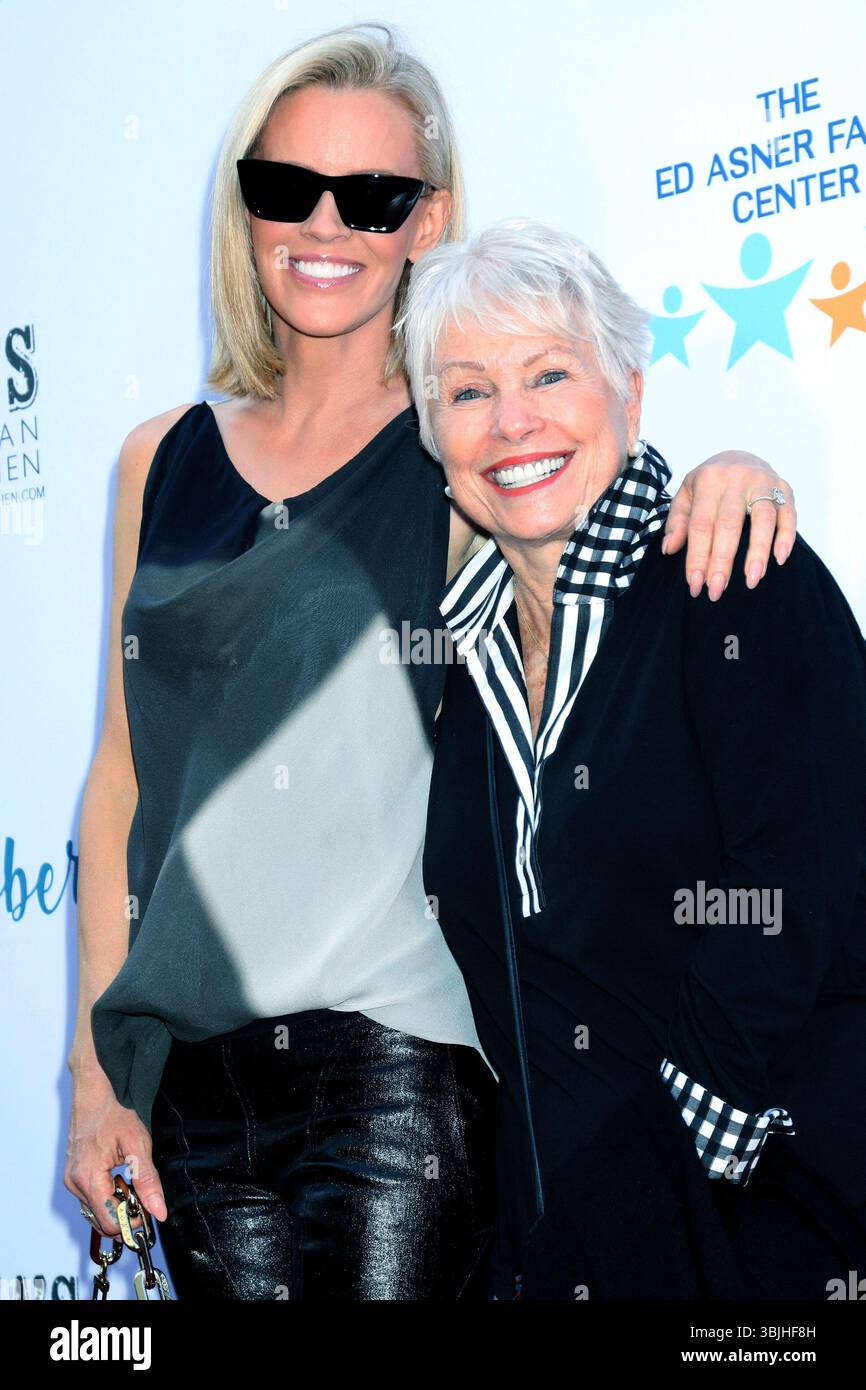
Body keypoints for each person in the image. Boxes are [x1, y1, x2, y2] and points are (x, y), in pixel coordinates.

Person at [64, 24, 797, 1301]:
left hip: (395, 1073)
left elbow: (591, 501)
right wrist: (92, 1074)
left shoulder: (455, 444)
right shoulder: (154, 462)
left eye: (375, 195)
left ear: (430, 216)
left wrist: (732, 471)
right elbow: (121, 784)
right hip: (187, 1094)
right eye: (287, 188)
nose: (326, 225)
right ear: (245, 209)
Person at [403, 217, 866, 1301]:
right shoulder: (451, 671)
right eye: (467, 391)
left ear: (630, 389)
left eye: (549, 374)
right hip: (566, 1239)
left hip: (770, 1208)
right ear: (432, 433)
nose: (511, 421)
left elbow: (796, 891)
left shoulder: (734, 573)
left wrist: (654, 1161)